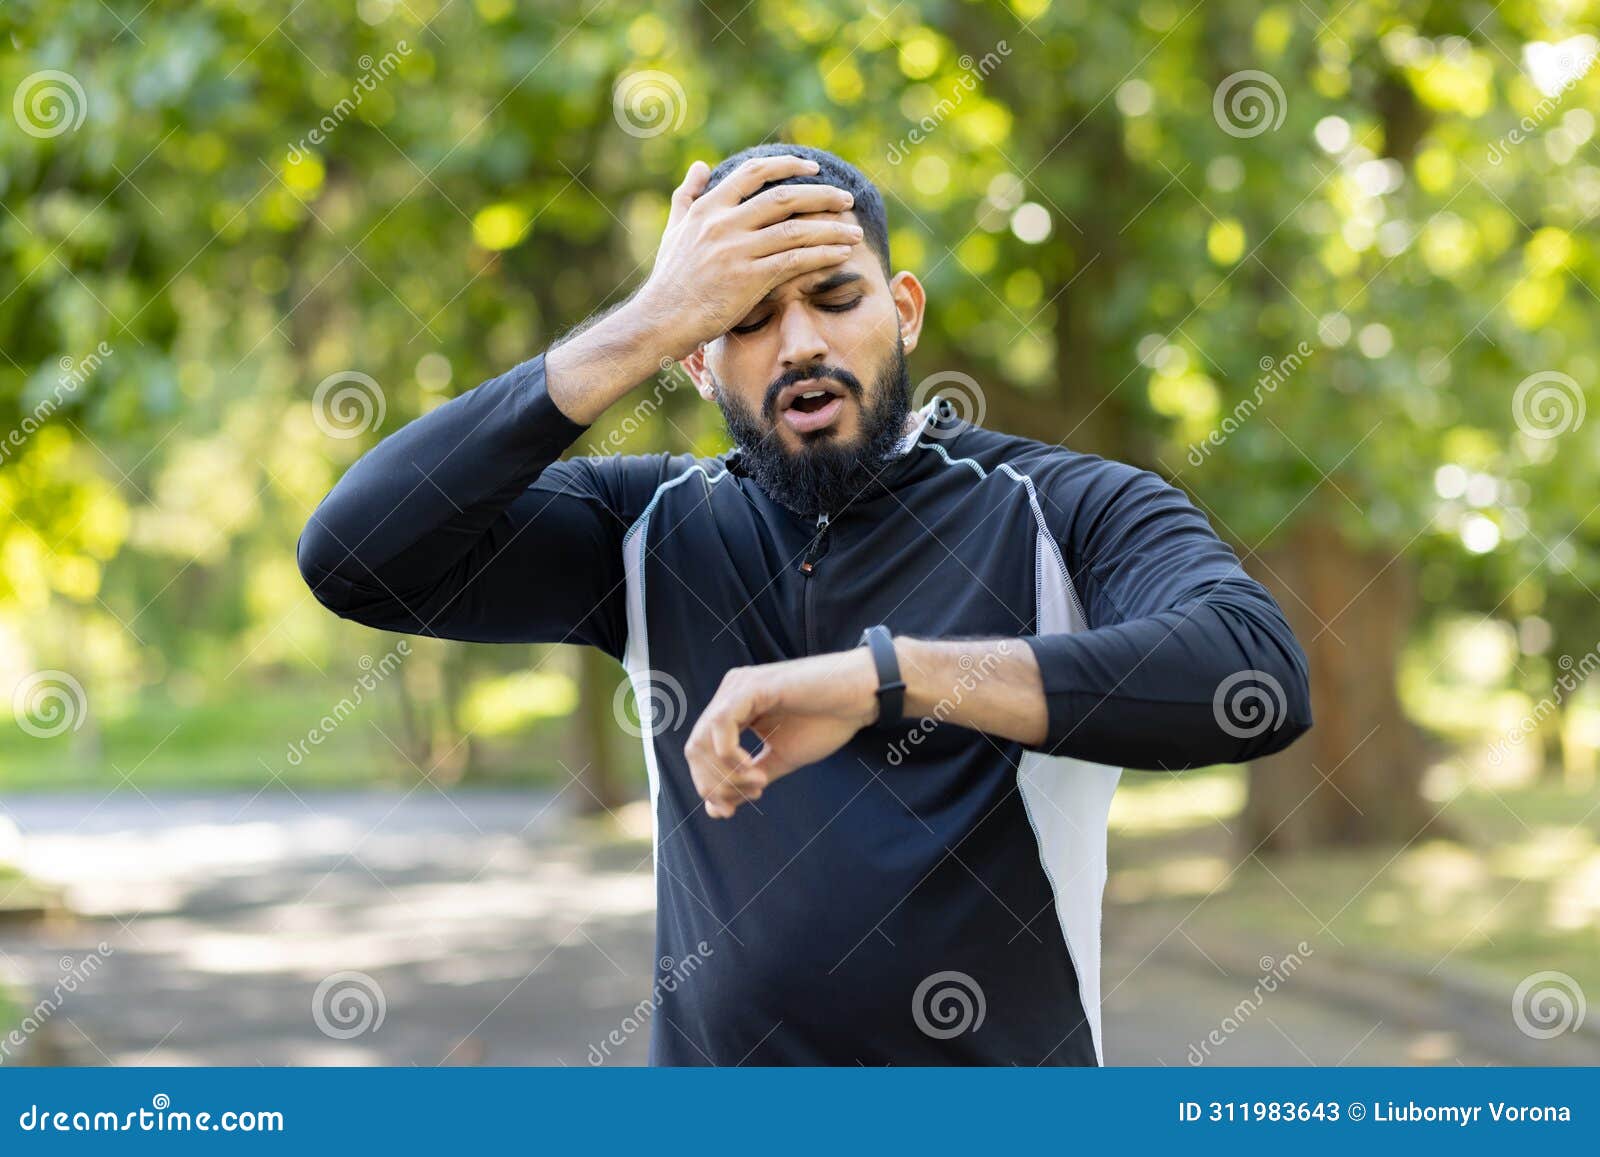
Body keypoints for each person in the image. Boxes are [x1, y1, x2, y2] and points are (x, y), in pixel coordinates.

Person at [296, 143, 1313, 1066]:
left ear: (903, 309)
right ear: (696, 359)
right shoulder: (645, 527)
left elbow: (1252, 673)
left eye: (835, 296)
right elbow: (356, 555)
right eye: (745, 316)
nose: (799, 344)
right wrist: (646, 319)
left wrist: (893, 678)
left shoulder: (1061, 506)